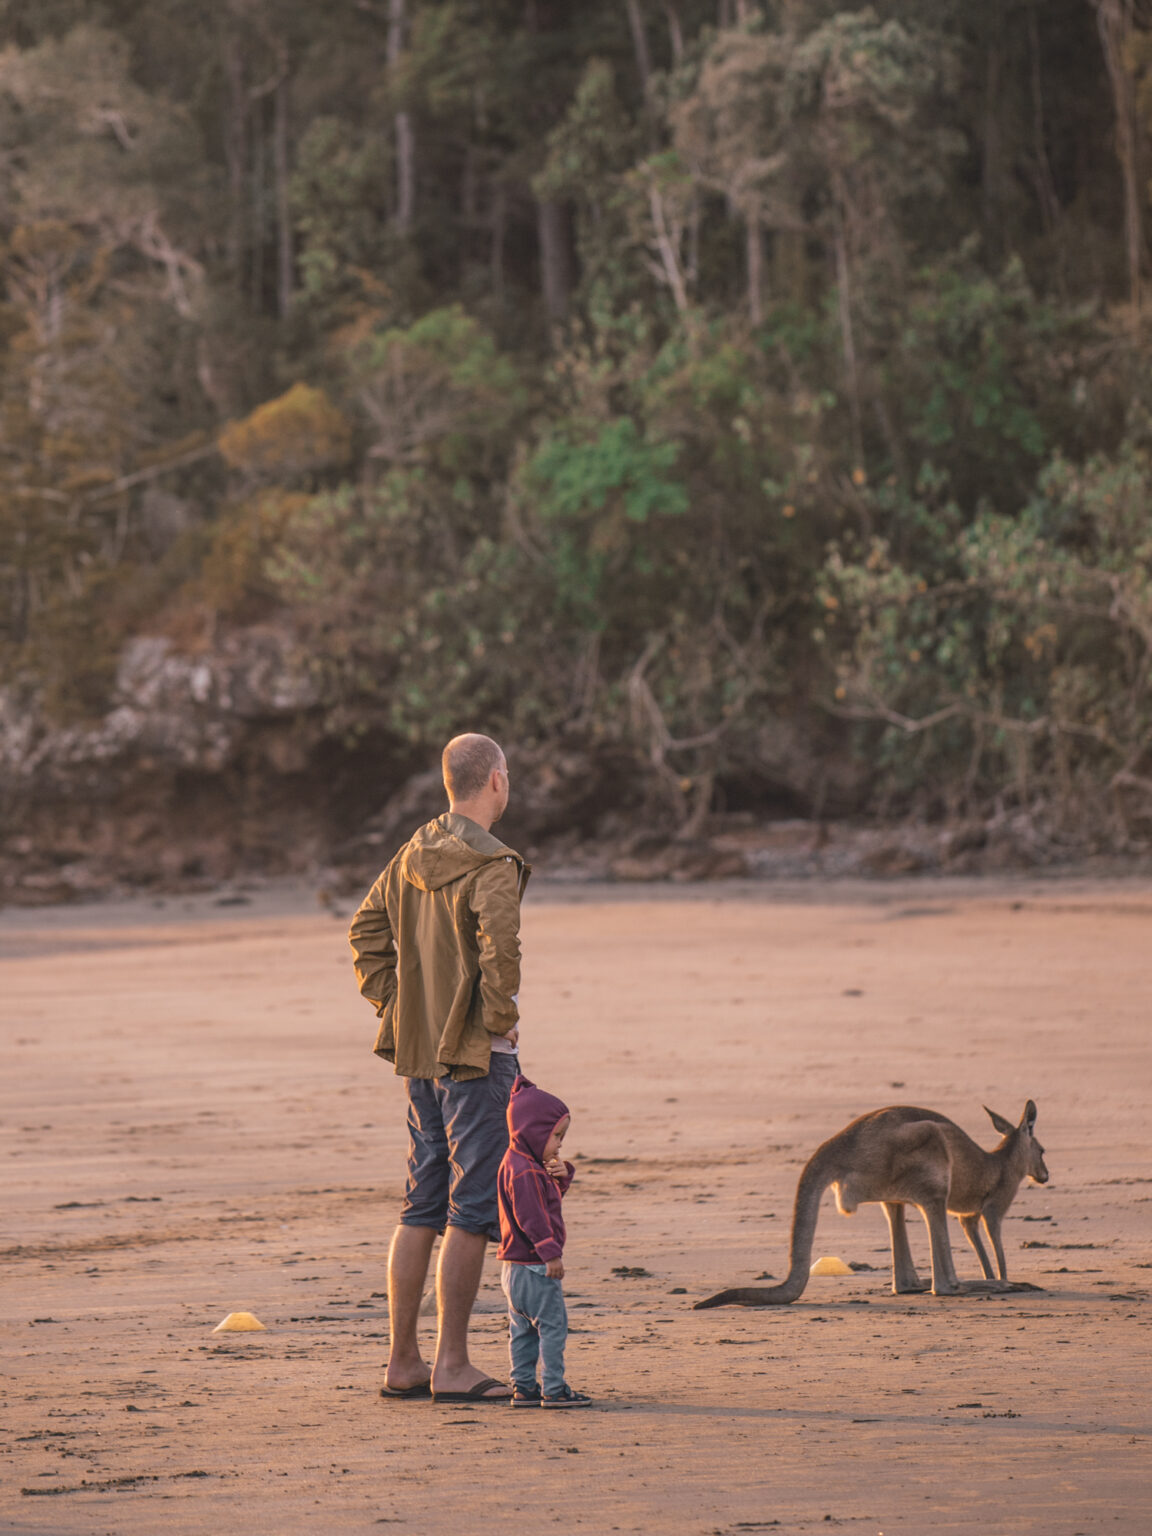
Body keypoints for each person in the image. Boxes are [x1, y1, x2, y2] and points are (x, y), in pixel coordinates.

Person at [349, 733, 529, 1402]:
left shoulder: (413, 850)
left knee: (421, 1201)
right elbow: (501, 954)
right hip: (475, 1057)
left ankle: (403, 1361)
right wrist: (497, 1017)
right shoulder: (493, 862)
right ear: (496, 783)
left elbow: (366, 932)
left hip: (420, 1055)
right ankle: (452, 1365)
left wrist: (398, 1008)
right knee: (472, 1208)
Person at [496, 1074, 591, 1408]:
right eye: (556, 1136)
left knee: (522, 1330)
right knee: (552, 1327)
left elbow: (545, 1203)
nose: (559, 1144)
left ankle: (523, 1386)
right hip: (536, 1268)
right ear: (533, 1132)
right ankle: (554, 1388)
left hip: (513, 1269)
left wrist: (562, 1179)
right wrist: (550, 1254)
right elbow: (533, 1218)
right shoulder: (526, 1172)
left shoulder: (516, 1163)